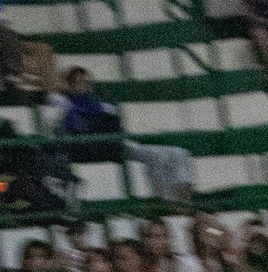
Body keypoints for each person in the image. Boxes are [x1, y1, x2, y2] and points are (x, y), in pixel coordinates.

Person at [46, 67, 198, 202]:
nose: (84, 86)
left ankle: (184, 200)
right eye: (78, 82)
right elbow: (52, 95)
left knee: (180, 153)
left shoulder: (98, 100)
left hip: (121, 142)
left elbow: (114, 111)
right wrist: (63, 86)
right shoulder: (66, 103)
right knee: (158, 157)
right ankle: (166, 202)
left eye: (86, 82)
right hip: (107, 148)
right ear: (69, 85)